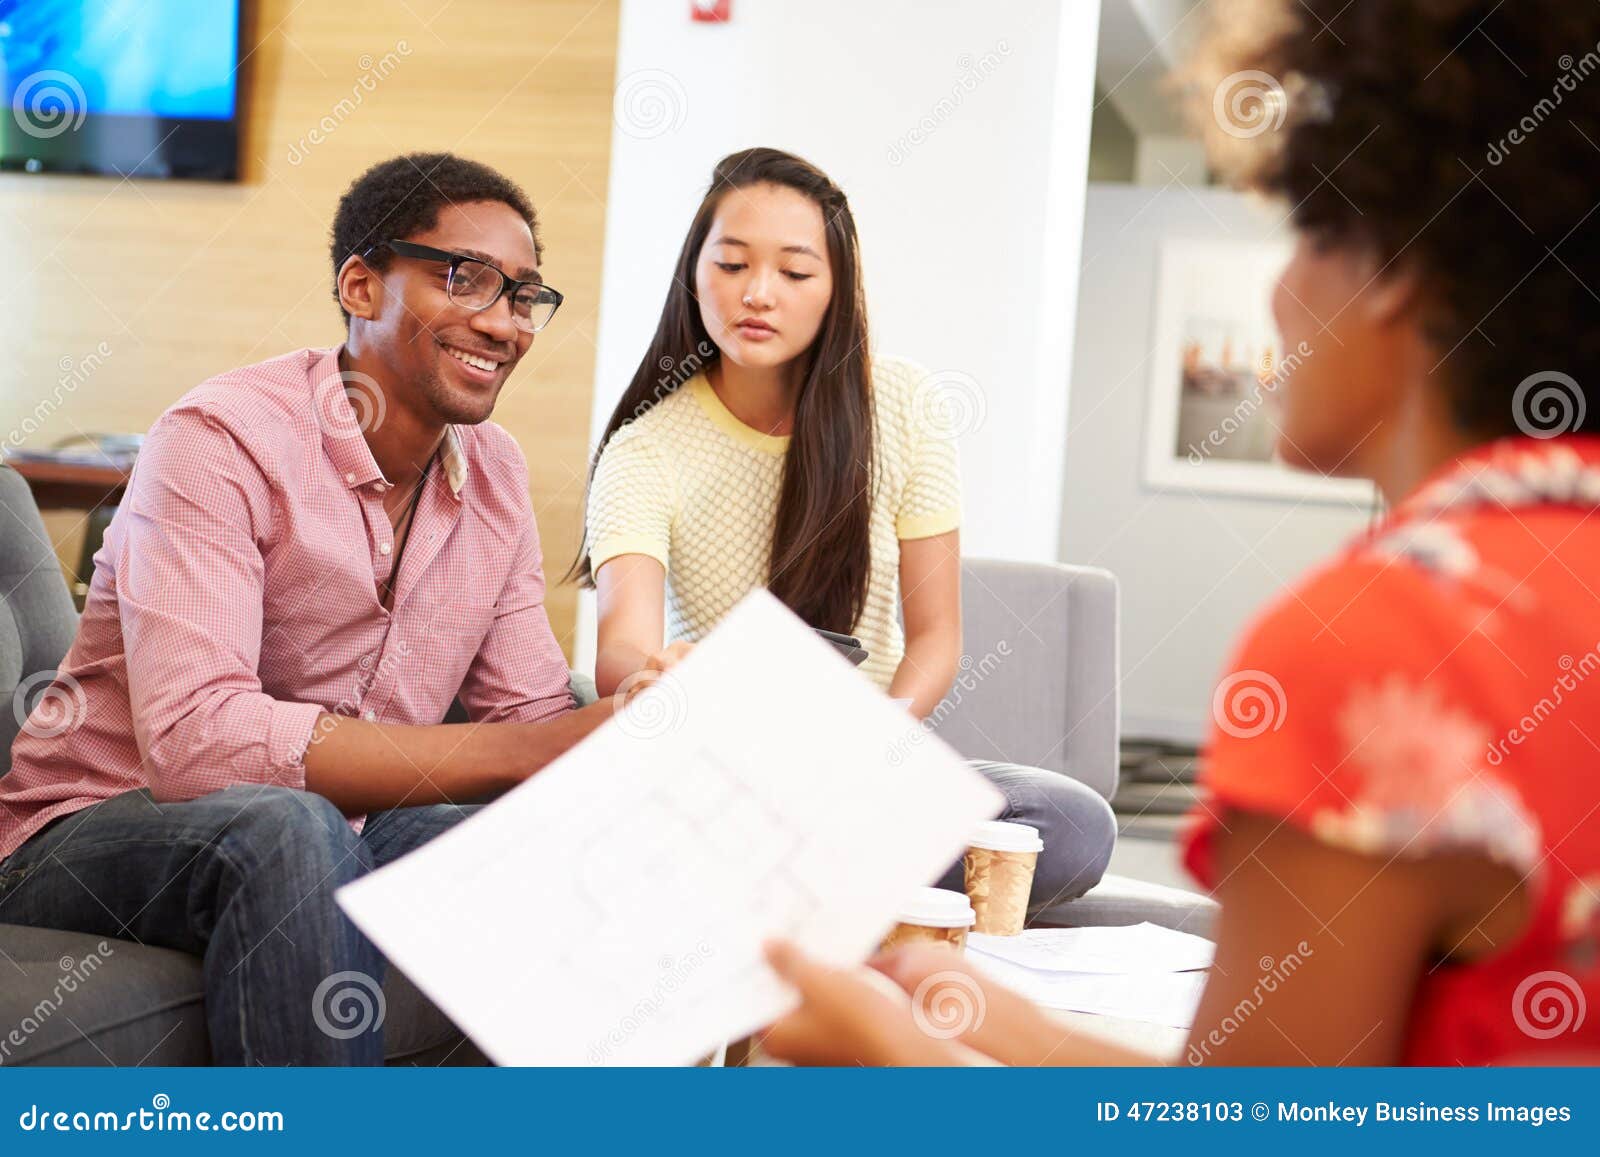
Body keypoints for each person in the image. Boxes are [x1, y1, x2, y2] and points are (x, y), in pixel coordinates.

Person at [759, 0, 1600, 1065]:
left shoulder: (1385, 639)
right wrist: (1009, 1029)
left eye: (1305, 236)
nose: (1283, 298)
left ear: (1391, 266)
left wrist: (894, 1058)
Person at [0, 153, 617, 1065]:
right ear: (361, 285)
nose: (504, 321)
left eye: (525, 295)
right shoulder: (220, 441)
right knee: (286, 826)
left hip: (338, 824)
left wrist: (646, 731)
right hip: (93, 827)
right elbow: (199, 742)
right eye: (467, 278)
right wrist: (530, 747)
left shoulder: (495, 475)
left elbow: (527, 713)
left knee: (512, 844)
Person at [576, 147, 1115, 914]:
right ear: (693, 272)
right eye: (731, 264)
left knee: (1067, 822)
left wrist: (882, 742)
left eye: (794, 274)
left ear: (835, 288)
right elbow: (621, 650)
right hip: (725, 769)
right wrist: (663, 674)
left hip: (867, 771)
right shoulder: (645, 447)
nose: (758, 293)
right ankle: (822, 892)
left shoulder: (903, 402)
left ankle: (787, 889)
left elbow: (935, 636)